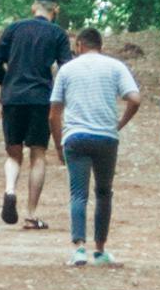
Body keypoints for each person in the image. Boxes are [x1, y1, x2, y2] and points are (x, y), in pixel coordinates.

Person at [51, 21, 140, 258]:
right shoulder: (116, 67)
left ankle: (79, 248)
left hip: (76, 137)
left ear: (79, 45)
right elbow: (135, 99)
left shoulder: (67, 70)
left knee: (78, 193)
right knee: (104, 192)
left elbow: (54, 113)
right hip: (106, 137)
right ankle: (100, 250)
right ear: (100, 46)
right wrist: (119, 124)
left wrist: (59, 145)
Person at [0, 0, 69, 229]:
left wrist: (7, 83)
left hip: (13, 98)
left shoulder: (14, 28)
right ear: (56, 10)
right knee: (38, 155)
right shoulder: (58, 34)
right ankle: (31, 214)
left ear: (34, 7)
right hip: (40, 99)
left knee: (13, 153)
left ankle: (10, 190)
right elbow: (66, 68)